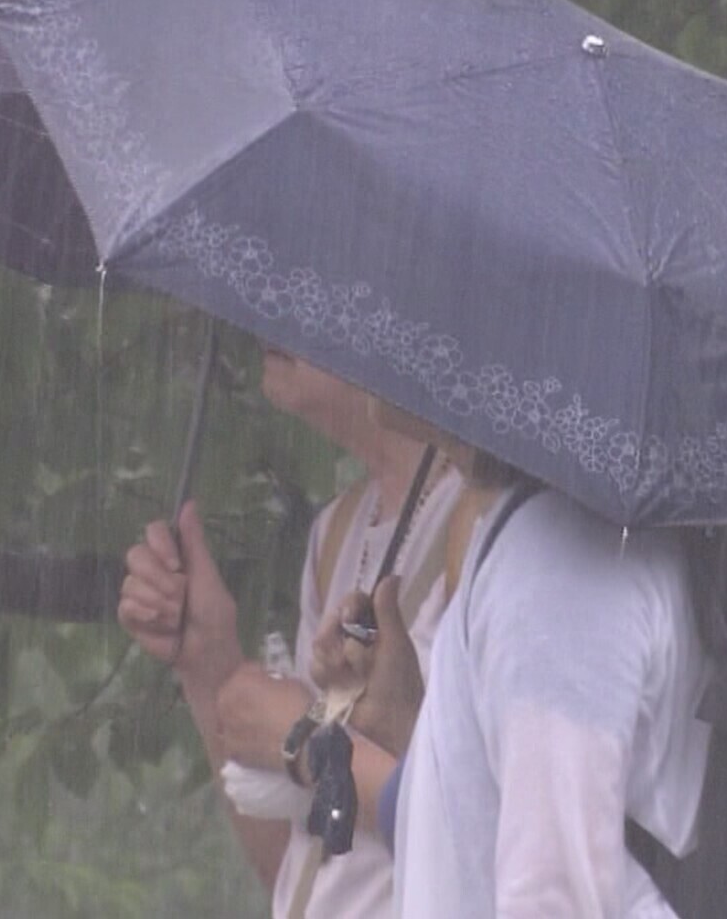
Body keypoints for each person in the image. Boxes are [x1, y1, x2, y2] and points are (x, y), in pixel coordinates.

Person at [314, 410, 727, 918]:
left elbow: (554, 898)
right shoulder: (553, 547)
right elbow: (493, 844)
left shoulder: (556, 566)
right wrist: (409, 725)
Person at [117, 348, 491, 918]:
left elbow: (491, 830)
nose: (275, 318)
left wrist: (309, 744)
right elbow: (302, 874)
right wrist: (208, 661)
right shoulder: (336, 533)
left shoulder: (485, 528)